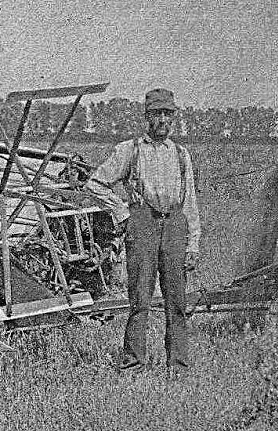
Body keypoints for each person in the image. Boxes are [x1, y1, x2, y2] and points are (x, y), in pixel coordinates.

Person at [86, 88, 201, 372]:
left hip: (175, 227)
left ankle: (178, 368)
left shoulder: (181, 154)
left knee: (177, 302)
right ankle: (133, 365)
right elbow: (95, 184)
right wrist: (123, 213)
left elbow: (190, 202)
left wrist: (193, 243)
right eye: (156, 114)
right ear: (147, 117)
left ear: (173, 118)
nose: (162, 120)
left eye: (167, 114)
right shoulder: (130, 150)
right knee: (140, 300)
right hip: (142, 226)